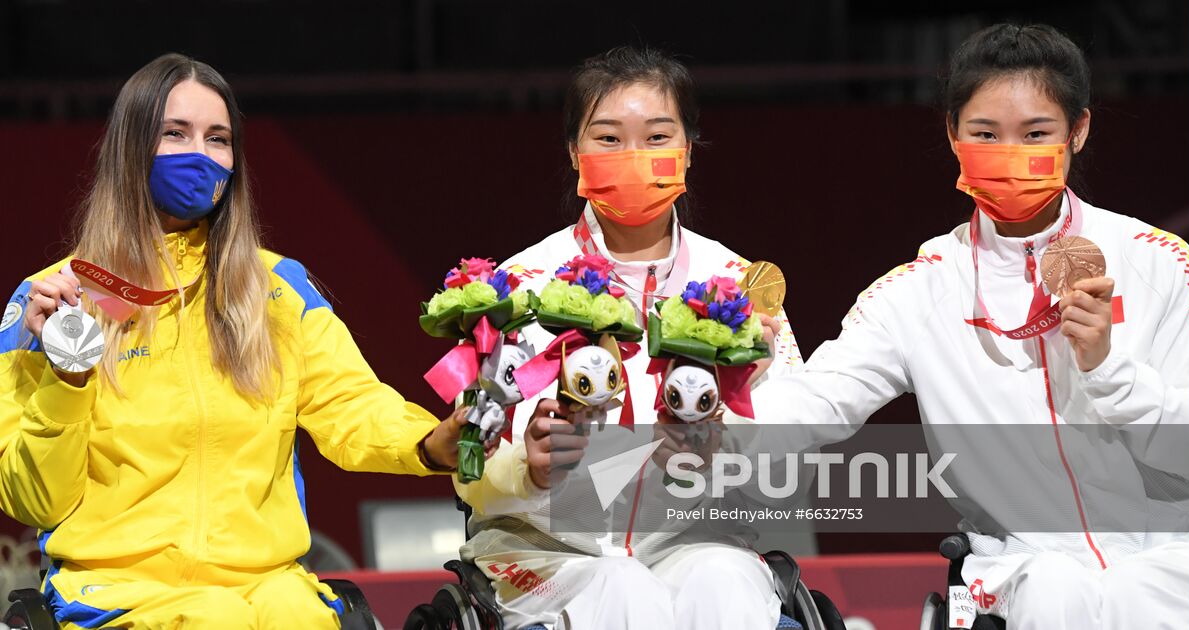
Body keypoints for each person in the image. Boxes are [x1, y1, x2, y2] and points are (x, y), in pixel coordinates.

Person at [753, 23, 1189, 629]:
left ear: (1078, 131)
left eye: (1035, 134)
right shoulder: (919, 291)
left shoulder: (1158, 262)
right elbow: (814, 402)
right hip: (1023, 570)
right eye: (986, 134)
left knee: (1139, 595)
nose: (1010, 154)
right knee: (1055, 587)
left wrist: (1109, 372)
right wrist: (732, 392)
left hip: (1170, 562)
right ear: (953, 135)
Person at [0, 54, 468, 629]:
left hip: (269, 591)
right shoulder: (57, 301)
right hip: (119, 594)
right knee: (212, 617)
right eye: (175, 133)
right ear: (129, 148)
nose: (199, 154)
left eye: (217, 139)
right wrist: (67, 379)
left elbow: (352, 405)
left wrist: (429, 443)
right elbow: (33, 500)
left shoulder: (278, 289)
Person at [454, 47, 806, 629]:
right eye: (609, 139)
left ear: (688, 149)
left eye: (657, 137)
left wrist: (723, 455)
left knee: (725, 583)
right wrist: (528, 469)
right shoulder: (520, 287)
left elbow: (792, 467)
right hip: (548, 552)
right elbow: (469, 468)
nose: (634, 157)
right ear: (574, 152)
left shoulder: (739, 292)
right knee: (622, 587)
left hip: (696, 544)